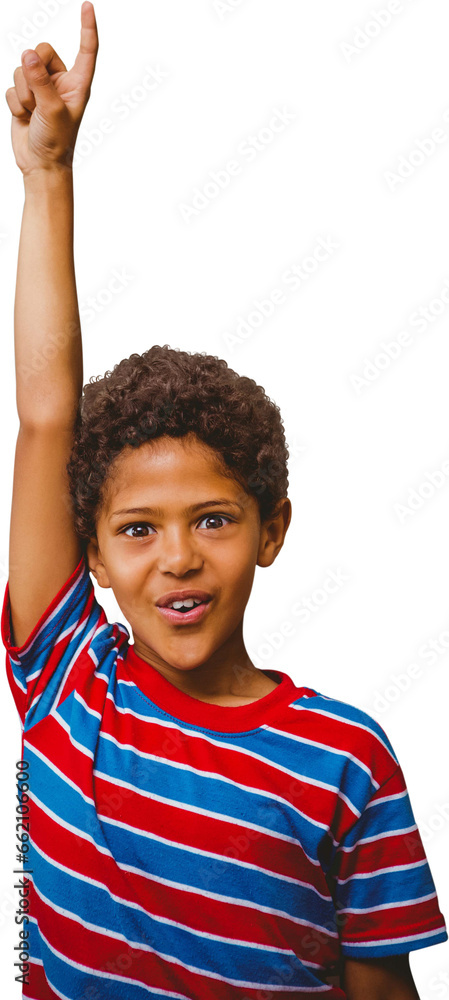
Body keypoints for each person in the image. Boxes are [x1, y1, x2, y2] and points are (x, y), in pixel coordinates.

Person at [2, 3, 447, 998]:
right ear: (92, 553)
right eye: (135, 530)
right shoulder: (69, 682)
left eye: (212, 519)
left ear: (270, 529)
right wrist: (47, 177)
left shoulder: (346, 758)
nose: (176, 558)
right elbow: (44, 415)